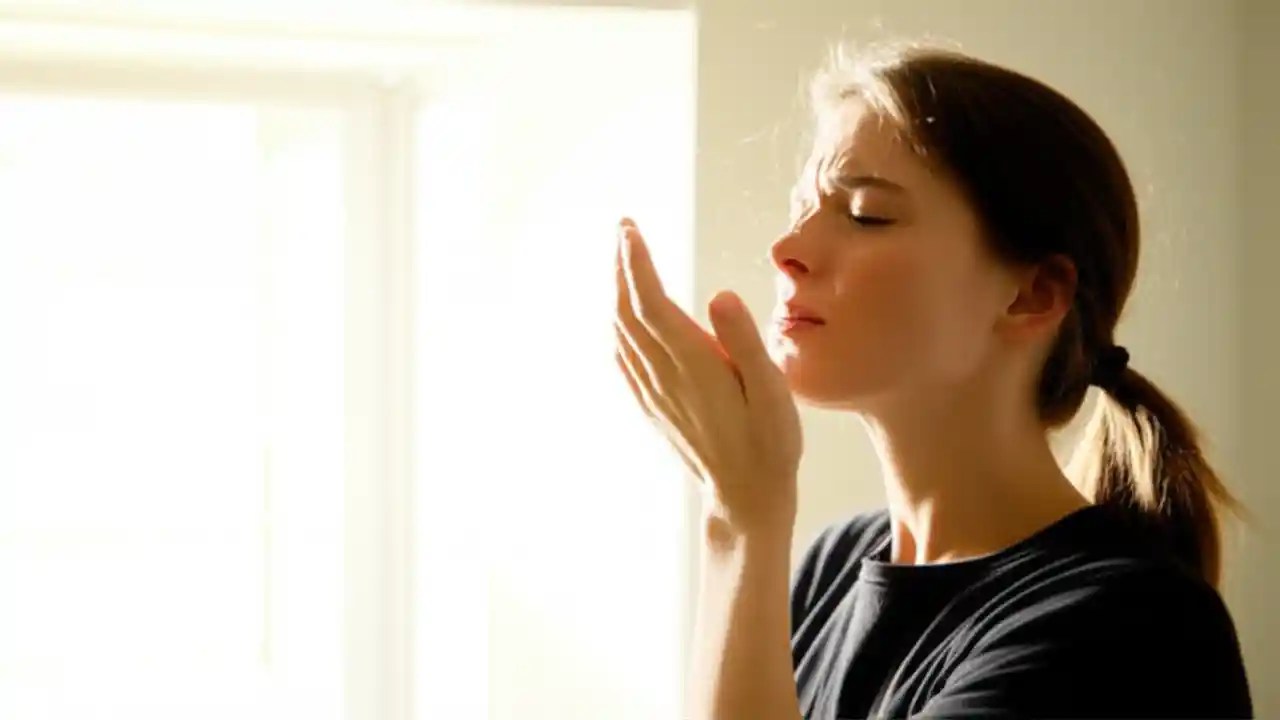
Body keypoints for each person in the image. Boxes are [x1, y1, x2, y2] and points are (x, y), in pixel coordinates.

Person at [612, 41, 1253, 719]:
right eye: (802, 207)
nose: (787, 250)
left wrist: (741, 517)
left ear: (1032, 294)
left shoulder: (1132, 627)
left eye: (865, 214)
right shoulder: (834, 563)